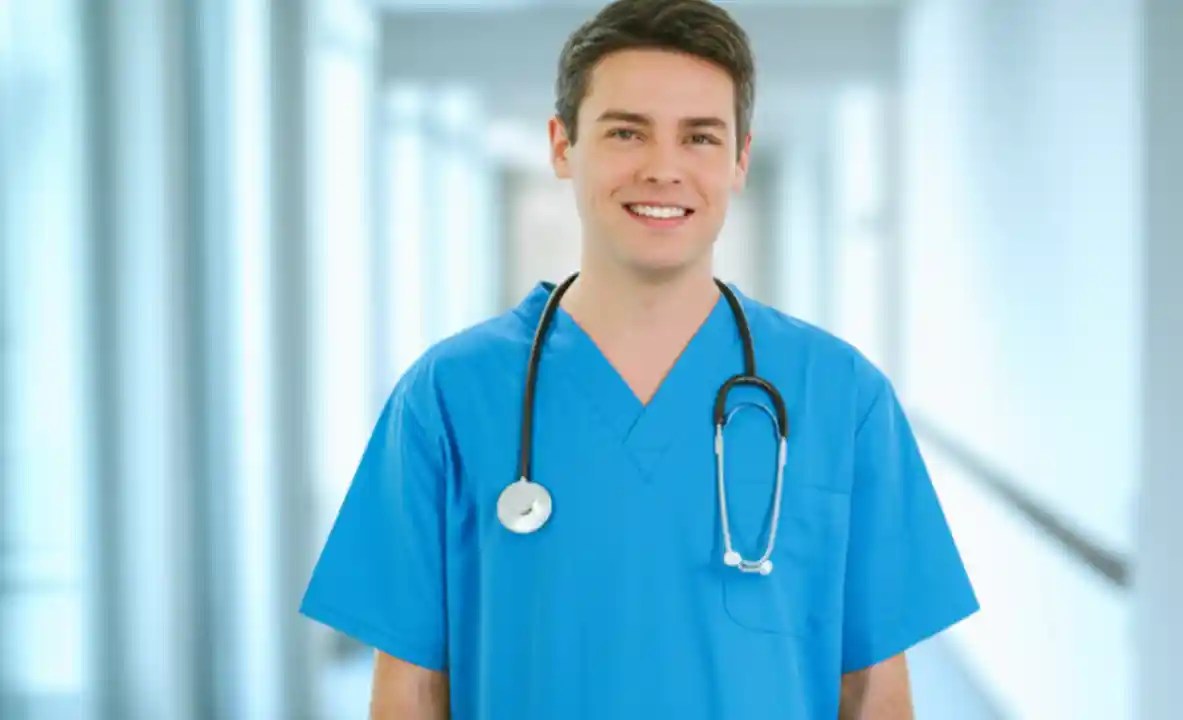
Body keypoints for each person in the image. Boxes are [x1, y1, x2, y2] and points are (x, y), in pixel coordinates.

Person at [299, 0, 979, 717]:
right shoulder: (447, 397)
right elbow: (408, 689)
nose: (663, 169)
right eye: (627, 132)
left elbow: (872, 689)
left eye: (700, 138)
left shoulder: (840, 396)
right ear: (562, 146)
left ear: (740, 158)